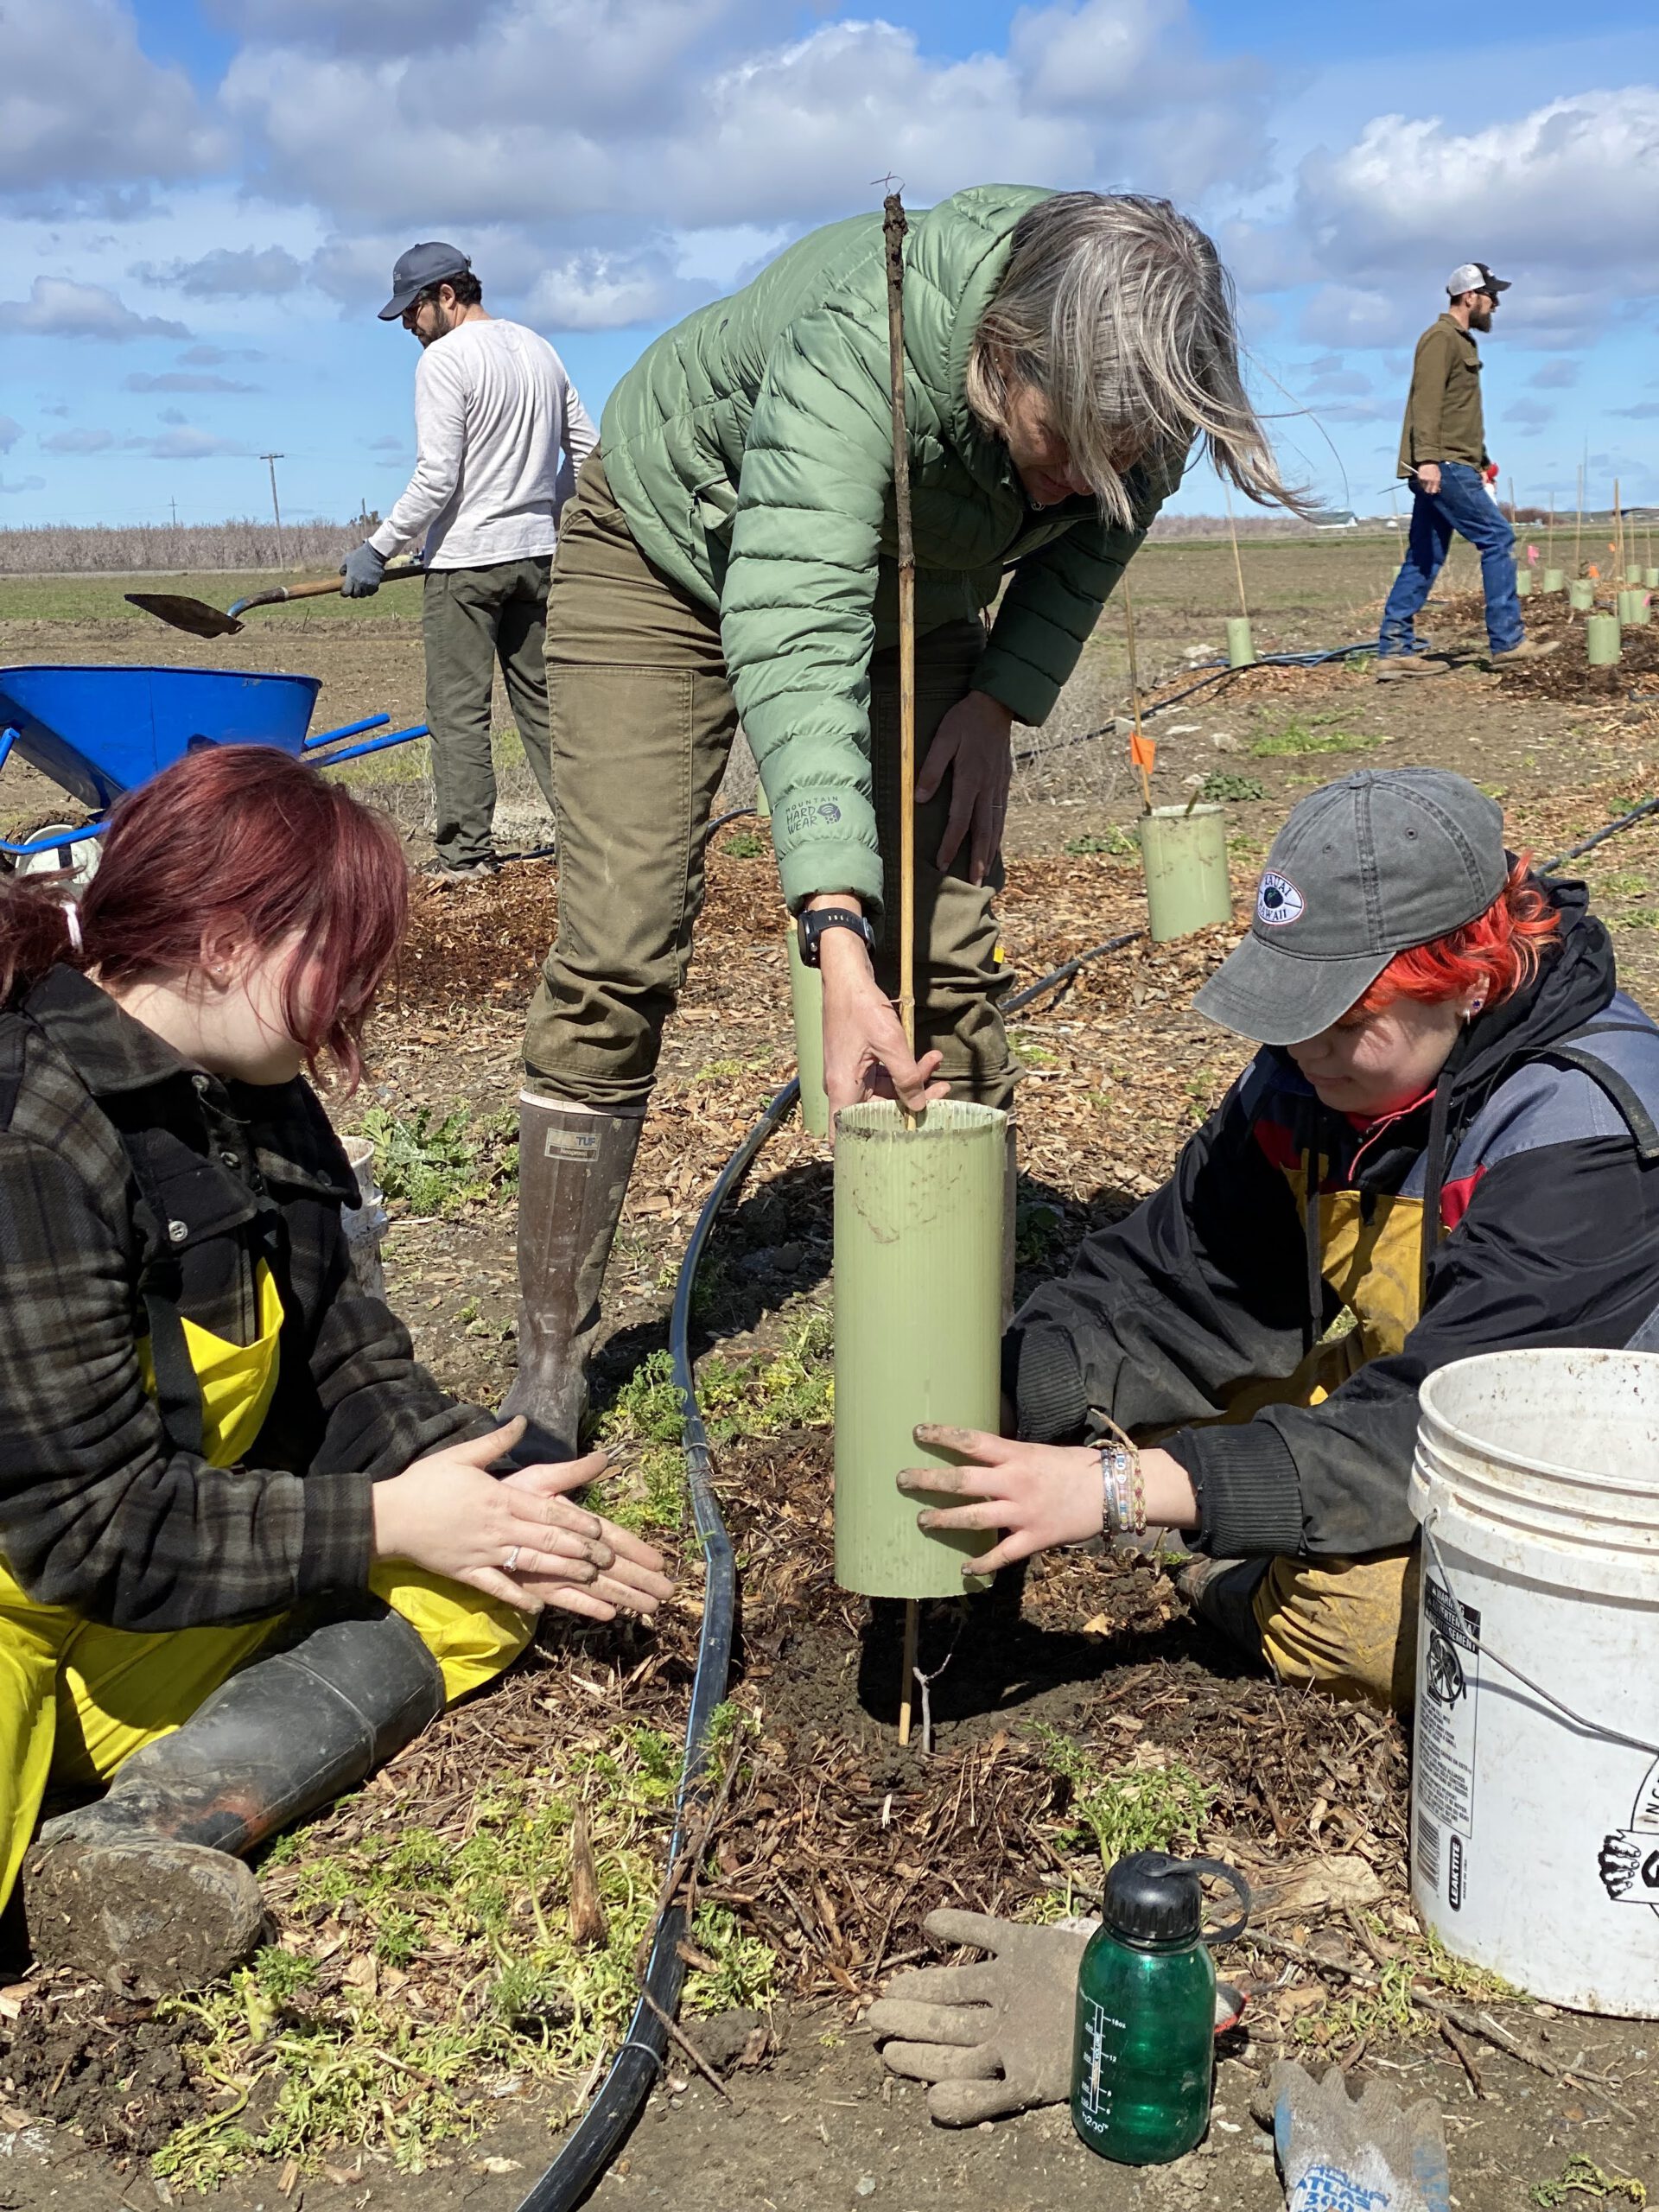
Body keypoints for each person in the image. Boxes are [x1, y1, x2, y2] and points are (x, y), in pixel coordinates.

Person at [864, 766, 1659, 2122]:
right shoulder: (1320, 1074)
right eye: (1291, 1016)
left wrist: (1125, 1494)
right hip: (1404, 1381)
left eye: (1341, 1021)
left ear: (1465, 976)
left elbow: (1430, 1434)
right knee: (1129, 1394)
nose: (1303, 1051)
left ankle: (1235, 1591)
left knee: (1361, 1614)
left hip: (1573, 1488)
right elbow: (1181, 1279)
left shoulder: (1588, 1129)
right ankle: (1225, 1537)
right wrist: (1001, 1388)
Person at [506, 186, 1308, 1458]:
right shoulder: (859, 342)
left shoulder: (1145, 392)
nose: (1071, 480)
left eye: (1117, 456)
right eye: (1059, 444)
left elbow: (1088, 547)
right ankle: (548, 1361)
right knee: (625, 932)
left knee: (946, 938)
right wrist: (833, 929)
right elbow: (796, 621)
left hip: (911, 583)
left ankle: (965, 1325)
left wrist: (998, 698)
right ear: (1003, 350)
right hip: (670, 552)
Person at [0, 747, 670, 1995]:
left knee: (487, 1583)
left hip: (137, 1585)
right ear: (222, 944)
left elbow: (353, 1367)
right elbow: (81, 1525)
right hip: (30, 1583)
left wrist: (504, 1501)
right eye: (340, 955)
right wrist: (381, 1519)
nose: (360, 995)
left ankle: (137, 1835)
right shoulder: (35, 1128)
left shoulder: (259, 1094)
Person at [340, 243, 599, 883]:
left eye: (413, 310)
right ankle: (589, 840)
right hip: (539, 558)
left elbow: (436, 478)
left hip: (465, 564)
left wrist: (379, 548)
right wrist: (543, 508)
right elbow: (589, 453)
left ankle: (465, 856)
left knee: (458, 713)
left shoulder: (445, 362)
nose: (408, 324)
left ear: (447, 296)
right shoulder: (539, 348)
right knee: (547, 707)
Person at [1376, 262, 1554, 679]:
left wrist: (1483, 461)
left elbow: (1459, 413)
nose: (1496, 304)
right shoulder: (1441, 339)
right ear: (1469, 296)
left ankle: (1395, 651)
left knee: (1425, 554)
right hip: (1444, 463)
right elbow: (1427, 403)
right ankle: (1508, 643)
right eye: (1492, 295)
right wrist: (1428, 461)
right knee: (1497, 537)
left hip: (1456, 461)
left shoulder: (1460, 342)